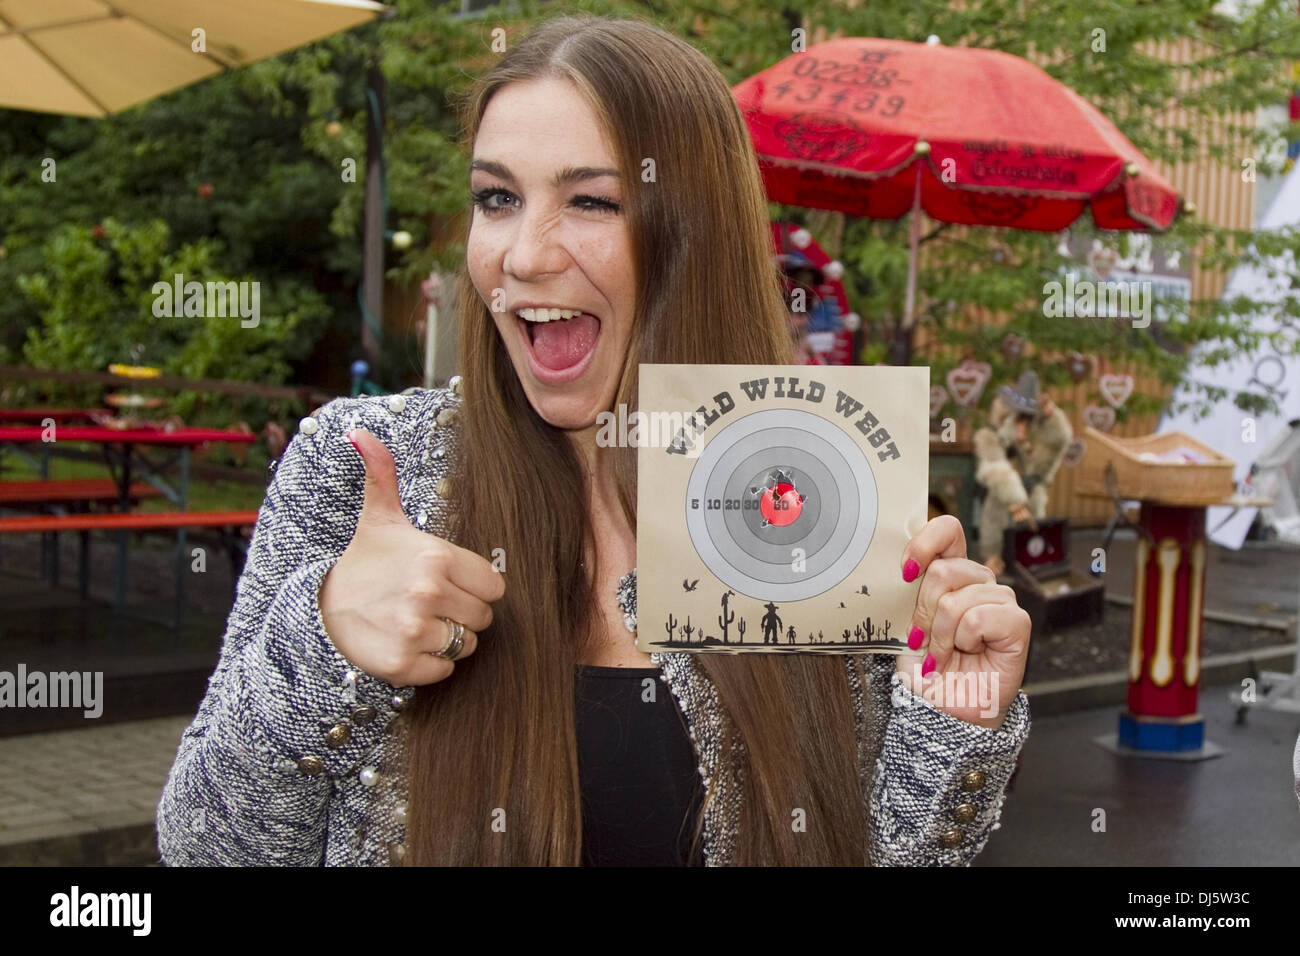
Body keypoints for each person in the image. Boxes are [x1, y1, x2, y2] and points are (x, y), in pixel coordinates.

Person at [156, 13, 1031, 867]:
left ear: (696, 237)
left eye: (591, 200)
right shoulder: (361, 469)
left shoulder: (813, 490)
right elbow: (202, 848)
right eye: (496, 197)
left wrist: (952, 712)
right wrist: (324, 642)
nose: (524, 255)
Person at [973, 370, 1073, 576]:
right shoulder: (994, 434)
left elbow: (1056, 445)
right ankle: (994, 557)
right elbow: (994, 462)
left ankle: (1028, 560)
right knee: (995, 510)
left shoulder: (1041, 430)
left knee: (1031, 526)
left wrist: (1050, 421)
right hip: (1003, 494)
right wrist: (1013, 495)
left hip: (1032, 489)